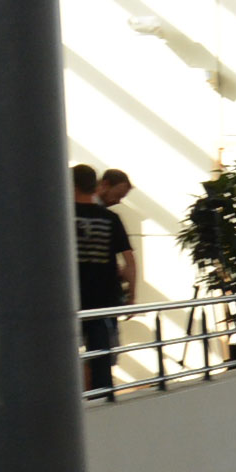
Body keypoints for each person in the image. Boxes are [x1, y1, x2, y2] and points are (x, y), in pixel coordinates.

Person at [70, 163, 138, 390]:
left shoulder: (61, 218)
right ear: (96, 184)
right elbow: (130, 261)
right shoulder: (111, 218)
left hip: (70, 302)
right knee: (101, 358)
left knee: (65, 357)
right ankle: (102, 395)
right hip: (102, 302)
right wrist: (131, 296)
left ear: (72, 185)